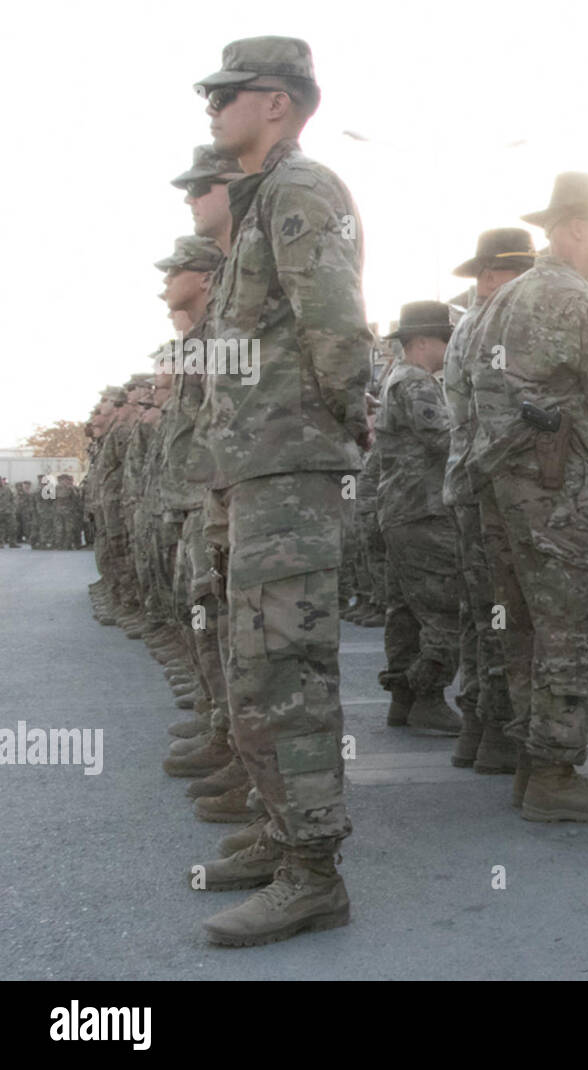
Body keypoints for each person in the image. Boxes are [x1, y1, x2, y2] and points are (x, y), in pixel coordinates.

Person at [190, 36, 370, 945]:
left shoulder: (299, 191)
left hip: (291, 468)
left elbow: (335, 323)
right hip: (257, 468)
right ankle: (278, 832)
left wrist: (349, 425)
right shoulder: (261, 203)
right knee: (254, 666)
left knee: (288, 669)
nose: (212, 109)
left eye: (225, 95)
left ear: (275, 101)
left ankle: (314, 874)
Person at [467, 172, 588, 822]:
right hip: (554, 488)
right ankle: (554, 773)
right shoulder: (574, 299)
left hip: (501, 488)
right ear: (579, 228)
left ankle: (532, 766)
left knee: (524, 627)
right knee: (572, 626)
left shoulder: (505, 297)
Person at [443, 228, 536, 772]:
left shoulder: (466, 327)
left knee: (482, 616)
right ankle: (500, 733)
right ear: (490, 276)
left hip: (466, 482)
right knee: (505, 613)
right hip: (492, 484)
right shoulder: (496, 326)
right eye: (519, 273)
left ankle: (477, 729)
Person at [375, 302, 464, 736]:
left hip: (401, 512)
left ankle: (403, 698)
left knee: (406, 610)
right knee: (444, 607)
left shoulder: (397, 379)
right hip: (424, 511)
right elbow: (446, 441)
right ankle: (428, 695)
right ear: (424, 342)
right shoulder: (417, 383)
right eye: (446, 340)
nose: (449, 349)